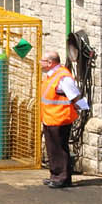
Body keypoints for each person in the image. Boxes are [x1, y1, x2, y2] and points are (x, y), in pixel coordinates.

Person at [40, 50, 90, 187]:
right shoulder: (51, 75)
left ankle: (63, 178)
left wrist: (84, 110)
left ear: (50, 63)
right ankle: (55, 175)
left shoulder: (63, 77)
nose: (40, 63)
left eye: (42, 61)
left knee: (60, 148)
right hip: (50, 118)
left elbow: (74, 96)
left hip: (60, 118)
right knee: (52, 148)